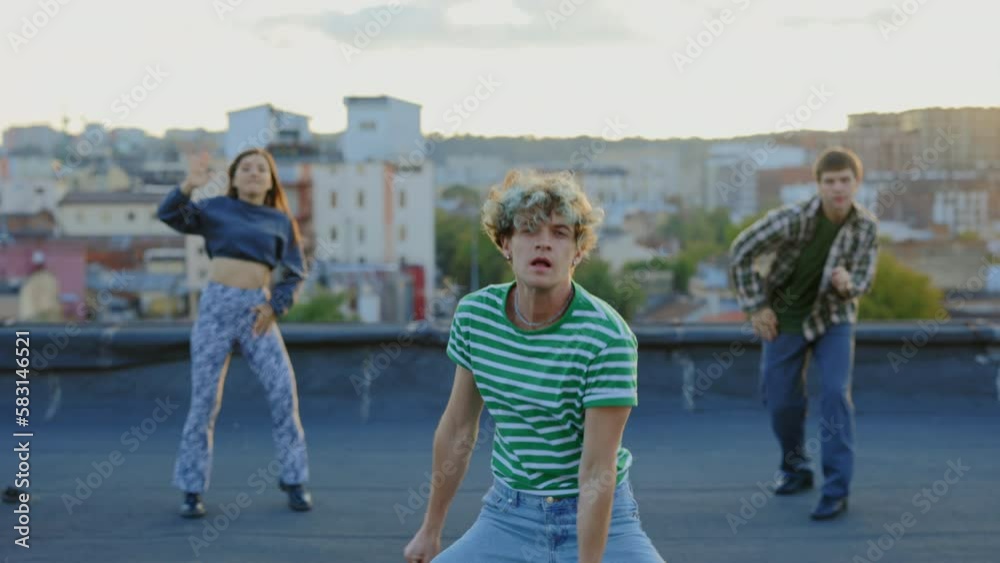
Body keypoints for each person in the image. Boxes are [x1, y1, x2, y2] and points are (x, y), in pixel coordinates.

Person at [403, 170, 664, 562]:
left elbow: (596, 471)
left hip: (601, 521)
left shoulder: (606, 335)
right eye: (528, 230)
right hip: (509, 516)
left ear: (577, 251)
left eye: (560, 233)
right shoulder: (476, 316)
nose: (544, 241)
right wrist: (430, 530)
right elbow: (458, 427)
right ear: (505, 243)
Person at [157, 148, 312, 518]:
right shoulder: (214, 209)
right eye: (246, 168)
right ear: (234, 176)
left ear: (271, 179)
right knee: (205, 402)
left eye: (261, 169)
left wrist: (276, 306)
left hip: (258, 312)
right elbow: (169, 215)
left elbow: (295, 272)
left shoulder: (280, 220)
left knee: (283, 391)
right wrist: (187, 186)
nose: (253, 173)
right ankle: (192, 489)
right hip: (215, 308)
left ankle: (293, 479)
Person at [728, 147, 879, 520]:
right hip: (785, 319)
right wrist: (754, 306)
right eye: (830, 181)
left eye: (845, 180)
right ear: (819, 185)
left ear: (857, 183)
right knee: (781, 402)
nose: (838, 188)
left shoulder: (866, 227)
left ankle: (835, 490)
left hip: (834, 319)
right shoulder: (793, 220)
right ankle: (795, 468)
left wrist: (848, 283)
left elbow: (864, 279)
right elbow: (740, 250)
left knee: (834, 395)